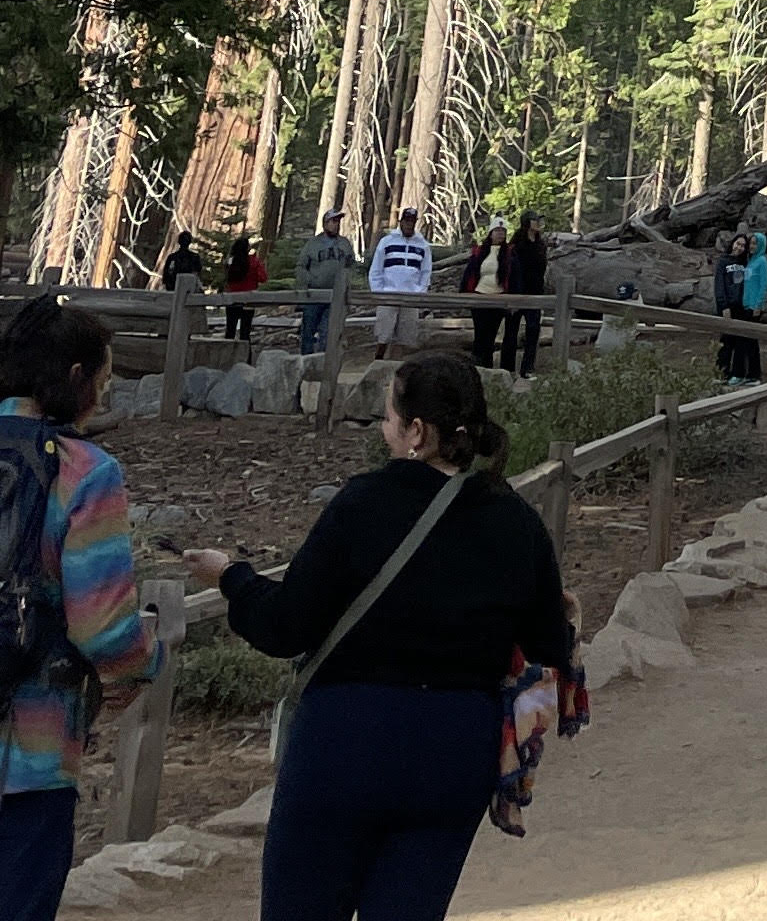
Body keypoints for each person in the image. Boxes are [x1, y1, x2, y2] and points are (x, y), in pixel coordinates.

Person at [187, 346, 578, 921]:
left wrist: (233, 577)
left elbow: (284, 626)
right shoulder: (514, 519)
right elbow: (549, 644)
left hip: (347, 739)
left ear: (417, 430)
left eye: (390, 416)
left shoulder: (362, 503)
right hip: (454, 749)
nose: (384, 428)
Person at [0, 300, 165, 921]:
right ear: (75, 377)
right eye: (102, 377)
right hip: (31, 752)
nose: (103, 391)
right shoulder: (86, 472)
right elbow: (103, 628)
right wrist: (141, 667)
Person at [369, 206, 432, 355]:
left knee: (407, 335)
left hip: (411, 296)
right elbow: (376, 269)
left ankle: (401, 366)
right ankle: (378, 364)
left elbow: (426, 272)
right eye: (406, 221)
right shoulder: (387, 242)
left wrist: (419, 292)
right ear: (401, 221)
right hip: (388, 295)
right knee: (383, 334)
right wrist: (379, 292)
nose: (409, 225)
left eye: (412, 221)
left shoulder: (422, 245)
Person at [295, 212, 356, 360]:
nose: (336, 224)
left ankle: (323, 363)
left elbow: (351, 265)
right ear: (325, 223)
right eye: (333, 221)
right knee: (308, 331)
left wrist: (347, 285)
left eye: (338, 221)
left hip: (335, 296)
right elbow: (301, 266)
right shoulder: (313, 244)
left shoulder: (344, 244)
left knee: (328, 332)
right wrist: (307, 283)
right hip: (314, 295)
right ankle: (305, 362)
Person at [499, 215, 546, 381]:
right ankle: (507, 369)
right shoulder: (516, 245)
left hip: (535, 294)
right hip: (517, 293)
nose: (539, 223)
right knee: (511, 332)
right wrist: (512, 295)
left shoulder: (540, 245)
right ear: (527, 223)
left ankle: (527, 369)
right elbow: (511, 272)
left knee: (533, 331)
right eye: (535, 220)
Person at [460, 225, 510, 372]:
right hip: (479, 295)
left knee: (491, 335)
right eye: (497, 231)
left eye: (503, 231)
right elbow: (470, 272)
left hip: (498, 297)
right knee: (480, 334)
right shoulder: (480, 251)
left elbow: (513, 275)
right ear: (490, 233)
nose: (500, 234)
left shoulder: (509, 253)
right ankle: (475, 366)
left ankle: (487, 368)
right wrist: (464, 292)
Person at [711, 232, 749, 380]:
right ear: (733, 243)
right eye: (738, 244)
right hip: (727, 307)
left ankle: (737, 373)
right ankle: (721, 372)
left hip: (742, 306)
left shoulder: (745, 263)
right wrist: (723, 305)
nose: (739, 247)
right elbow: (719, 285)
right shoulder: (723, 262)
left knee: (740, 341)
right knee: (726, 341)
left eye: (743, 246)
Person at [221, 235, 268, 344]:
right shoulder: (254, 262)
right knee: (245, 333)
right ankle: (245, 357)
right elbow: (263, 278)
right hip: (248, 301)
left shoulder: (230, 261)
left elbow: (226, 278)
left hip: (232, 299)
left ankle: (227, 356)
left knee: (230, 330)